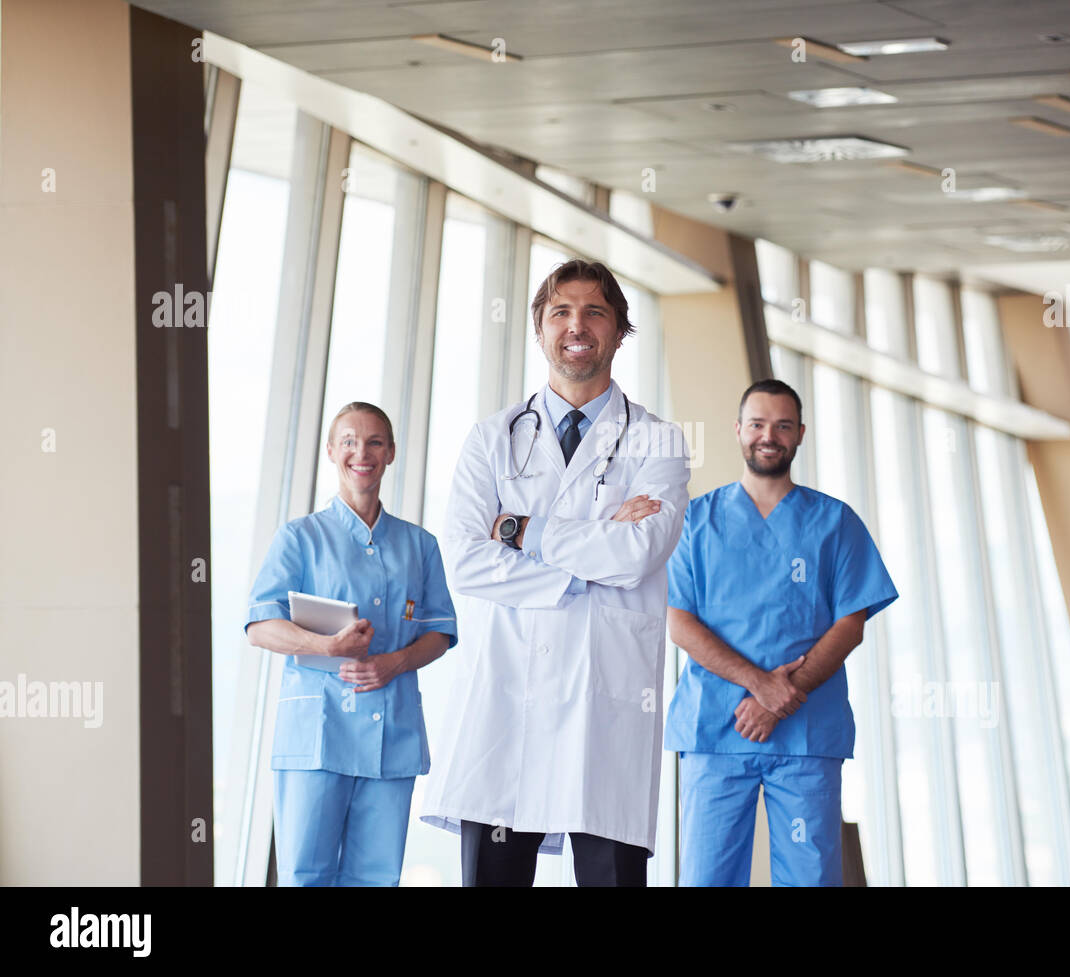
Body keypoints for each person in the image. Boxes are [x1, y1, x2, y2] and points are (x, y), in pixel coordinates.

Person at [420, 258, 690, 886]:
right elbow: (463, 558)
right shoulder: (491, 439)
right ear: (539, 328)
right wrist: (582, 570)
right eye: (561, 312)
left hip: (605, 700)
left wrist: (521, 531)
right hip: (505, 699)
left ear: (621, 332)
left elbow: (638, 554)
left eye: (595, 311)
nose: (577, 325)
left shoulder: (659, 441)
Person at [664, 379, 898, 886]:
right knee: (707, 877)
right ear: (739, 431)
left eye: (782, 426)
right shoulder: (695, 521)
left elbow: (850, 624)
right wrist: (760, 684)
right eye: (758, 424)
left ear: (799, 435)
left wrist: (778, 696)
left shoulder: (836, 522)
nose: (769, 435)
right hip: (715, 730)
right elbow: (678, 620)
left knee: (810, 877)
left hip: (806, 734)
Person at [245, 402, 457, 886]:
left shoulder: (419, 545)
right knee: (306, 875)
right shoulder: (300, 538)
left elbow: (441, 632)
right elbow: (259, 626)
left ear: (391, 453)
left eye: (375, 442)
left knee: (377, 877)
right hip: (317, 733)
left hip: (392, 734)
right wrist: (328, 647)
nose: (361, 452)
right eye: (349, 441)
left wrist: (396, 662)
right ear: (331, 451)